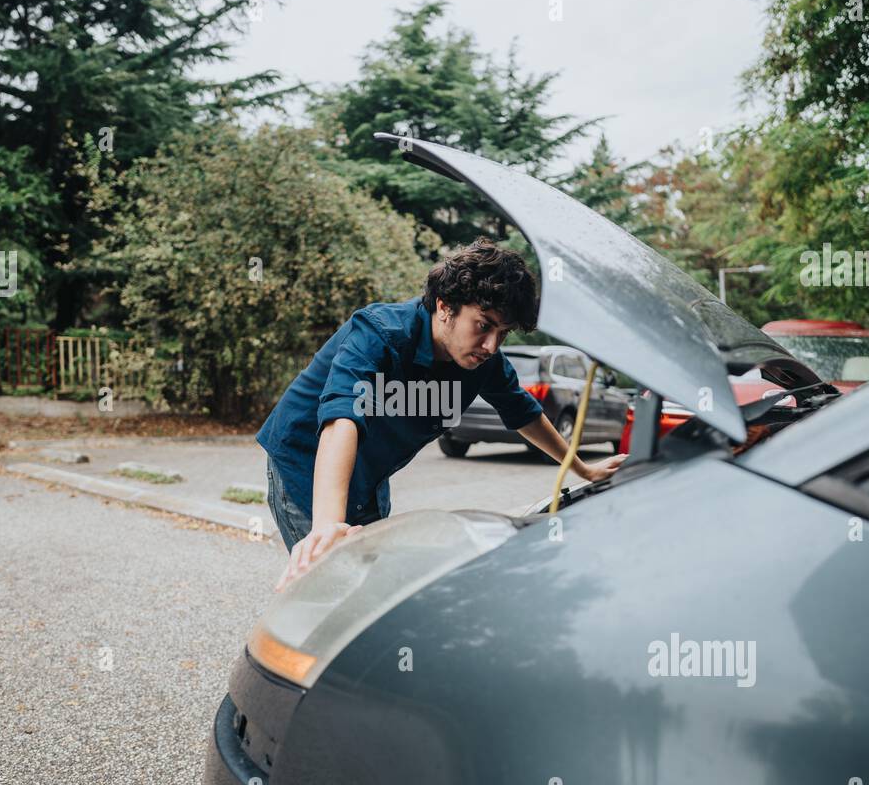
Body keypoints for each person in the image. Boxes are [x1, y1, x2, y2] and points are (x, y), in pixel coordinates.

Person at [257, 237, 624, 590]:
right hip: (306, 465)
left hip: (370, 475)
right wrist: (326, 525)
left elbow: (523, 412)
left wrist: (583, 468)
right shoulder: (380, 333)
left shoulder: (485, 363)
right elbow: (341, 418)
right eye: (483, 325)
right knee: (334, 585)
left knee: (372, 587)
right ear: (445, 307)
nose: (492, 345)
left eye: (504, 332)